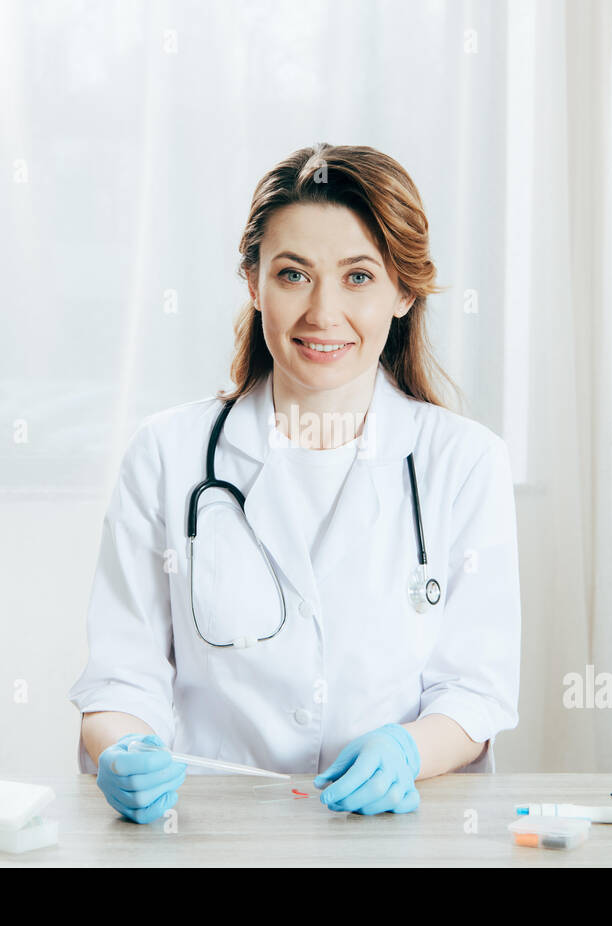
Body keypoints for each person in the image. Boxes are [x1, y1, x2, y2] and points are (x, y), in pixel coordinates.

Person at [70, 143, 520, 822]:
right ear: (253, 283)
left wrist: (407, 749)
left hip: (397, 836)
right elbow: (120, 676)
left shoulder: (464, 462)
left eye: (359, 277)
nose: (323, 313)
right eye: (293, 275)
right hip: (211, 833)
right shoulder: (167, 455)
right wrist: (123, 747)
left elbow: (474, 692)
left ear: (403, 291)